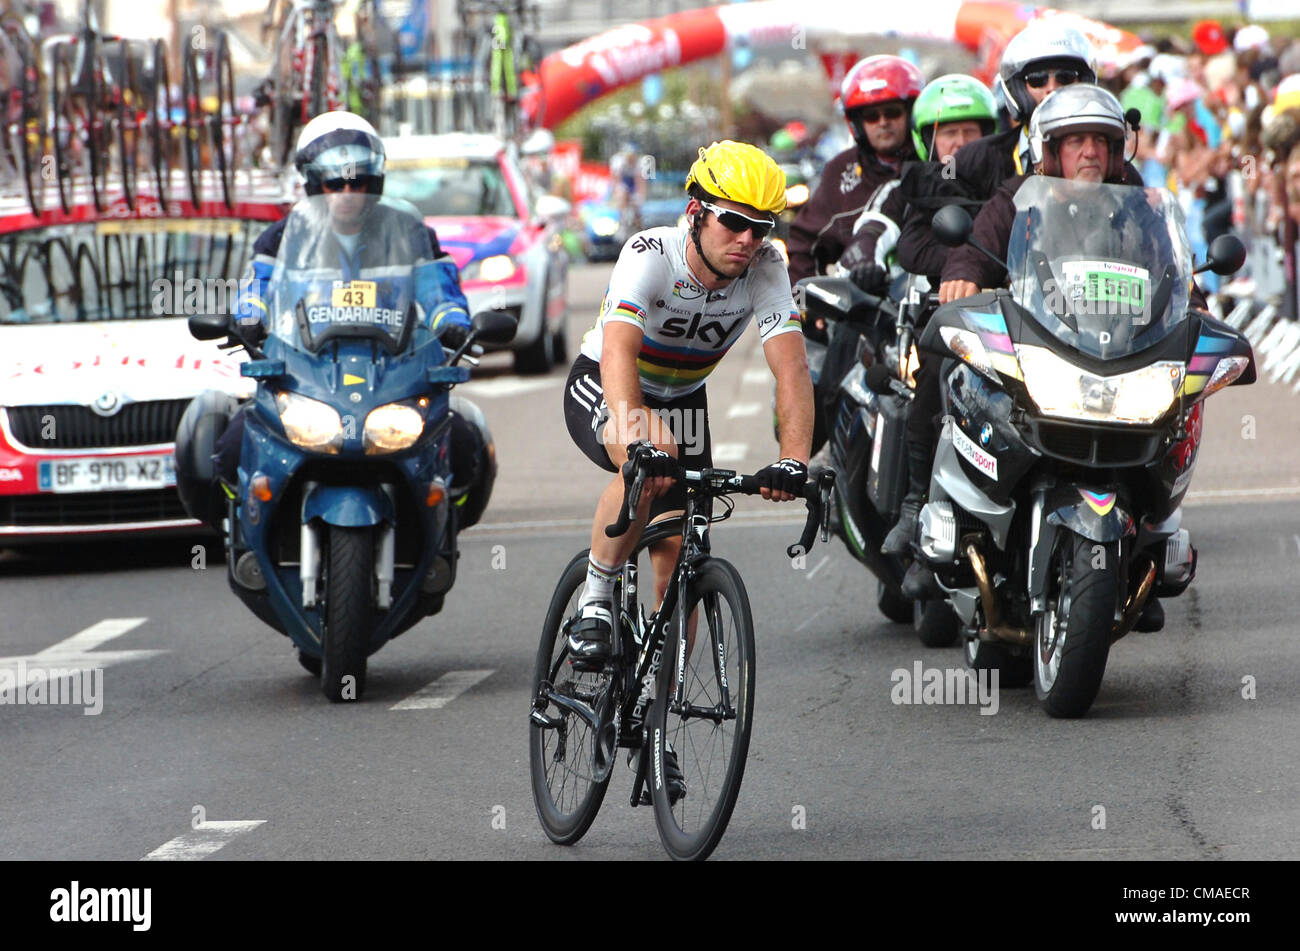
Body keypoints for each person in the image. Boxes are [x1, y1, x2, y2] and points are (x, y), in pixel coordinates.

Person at [937, 84, 1185, 632]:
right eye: (1076, 141)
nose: (1090, 152)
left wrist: (1197, 302)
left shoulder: (1139, 206)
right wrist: (963, 274)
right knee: (950, 366)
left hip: (1118, 348)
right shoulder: (1018, 199)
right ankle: (928, 515)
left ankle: (1147, 544)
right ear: (1050, 151)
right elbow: (978, 243)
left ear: (1119, 150)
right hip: (1040, 343)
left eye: (1101, 141)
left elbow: (1171, 266)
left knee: (1175, 411)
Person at [562, 141, 814, 674]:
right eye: (733, 221)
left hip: (683, 401)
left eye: (761, 227)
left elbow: (791, 368)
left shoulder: (766, 267)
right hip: (608, 382)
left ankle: (656, 714)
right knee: (652, 460)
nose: (747, 240)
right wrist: (636, 441)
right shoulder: (651, 253)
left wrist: (794, 460)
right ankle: (595, 601)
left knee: (680, 553)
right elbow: (618, 350)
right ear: (696, 210)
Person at [213, 111, 471, 493]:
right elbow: (257, 287)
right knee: (231, 449)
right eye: (335, 183)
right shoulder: (281, 238)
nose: (348, 193)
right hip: (304, 372)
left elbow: (438, 290)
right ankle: (240, 530)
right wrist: (248, 318)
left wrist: (452, 321)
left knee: (466, 446)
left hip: (392, 371)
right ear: (315, 185)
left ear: (375, 183)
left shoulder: (411, 232)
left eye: (359, 182)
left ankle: (438, 534)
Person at [786, 55, 925, 291]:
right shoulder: (839, 171)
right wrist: (809, 306)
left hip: (930, 304)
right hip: (862, 310)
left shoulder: (933, 161)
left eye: (892, 112)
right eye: (872, 116)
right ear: (857, 123)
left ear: (911, 113)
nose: (883, 123)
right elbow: (804, 246)